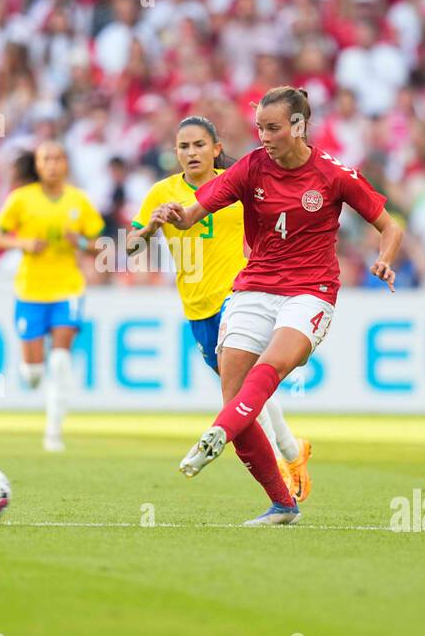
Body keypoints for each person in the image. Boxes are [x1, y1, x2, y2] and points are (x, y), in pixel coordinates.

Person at [155, 87, 403, 525]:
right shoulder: (251, 167)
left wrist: (383, 259)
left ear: (298, 126)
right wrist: (176, 215)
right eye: (260, 129)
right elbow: (195, 212)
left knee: (268, 370)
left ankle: (218, 434)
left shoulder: (333, 174)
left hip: (311, 291)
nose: (264, 137)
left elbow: (390, 226)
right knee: (234, 393)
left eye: (272, 129)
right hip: (255, 287)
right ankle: (283, 505)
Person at [129, 114, 313, 502]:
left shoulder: (240, 185)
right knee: (247, 389)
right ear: (175, 153)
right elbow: (128, 246)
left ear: (216, 149)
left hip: (241, 298)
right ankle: (293, 451)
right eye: (183, 146)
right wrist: (149, 229)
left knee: (240, 393)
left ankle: (283, 468)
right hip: (198, 309)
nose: (191, 152)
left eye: (199, 145)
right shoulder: (161, 193)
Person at [0, 142, 104, 452]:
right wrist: (24, 243)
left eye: (57, 158)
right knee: (34, 374)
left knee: (60, 361)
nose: (52, 164)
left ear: (66, 164)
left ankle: (53, 434)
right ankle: (30, 371)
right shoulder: (21, 200)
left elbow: (101, 244)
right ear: (38, 165)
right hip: (30, 290)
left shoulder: (78, 201)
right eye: (46, 159)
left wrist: (80, 242)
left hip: (68, 289)